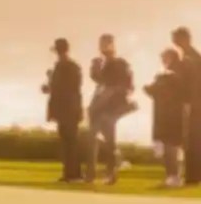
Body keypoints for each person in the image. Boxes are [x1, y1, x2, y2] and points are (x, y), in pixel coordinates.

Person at [86, 33, 135, 184]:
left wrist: (113, 92)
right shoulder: (100, 63)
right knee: (93, 138)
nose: (103, 47)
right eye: (101, 44)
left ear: (113, 45)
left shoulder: (120, 63)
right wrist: (94, 69)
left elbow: (128, 85)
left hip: (112, 107)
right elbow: (98, 80)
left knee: (108, 140)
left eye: (107, 43)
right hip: (98, 105)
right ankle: (91, 173)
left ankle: (111, 172)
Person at [42, 38, 83, 182]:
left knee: (70, 141)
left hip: (68, 108)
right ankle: (69, 173)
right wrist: (50, 84)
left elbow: (68, 88)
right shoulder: (66, 66)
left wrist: (51, 83)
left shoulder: (69, 67)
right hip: (66, 108)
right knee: (67, 142)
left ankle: (74, 174)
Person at [145, 48, 186, 187]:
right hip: (163, 116)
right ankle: (172, 175)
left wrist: (154, 88)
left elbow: (165, 92)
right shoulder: (164, 76)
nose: (163, 60)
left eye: (165, 57)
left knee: (170, 147)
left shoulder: (174, 76)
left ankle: (174, 176)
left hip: (172, 117)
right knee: (166, 147)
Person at [173, 27, 201, 184]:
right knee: (191, 140)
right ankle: (192, 175)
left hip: (194, 105)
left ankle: (193, 177)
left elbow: (194, 84)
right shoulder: (188, 56)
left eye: (176, 38)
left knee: (193, 140)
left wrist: (189, 102)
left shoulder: (192, 58)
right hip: (193, 103)